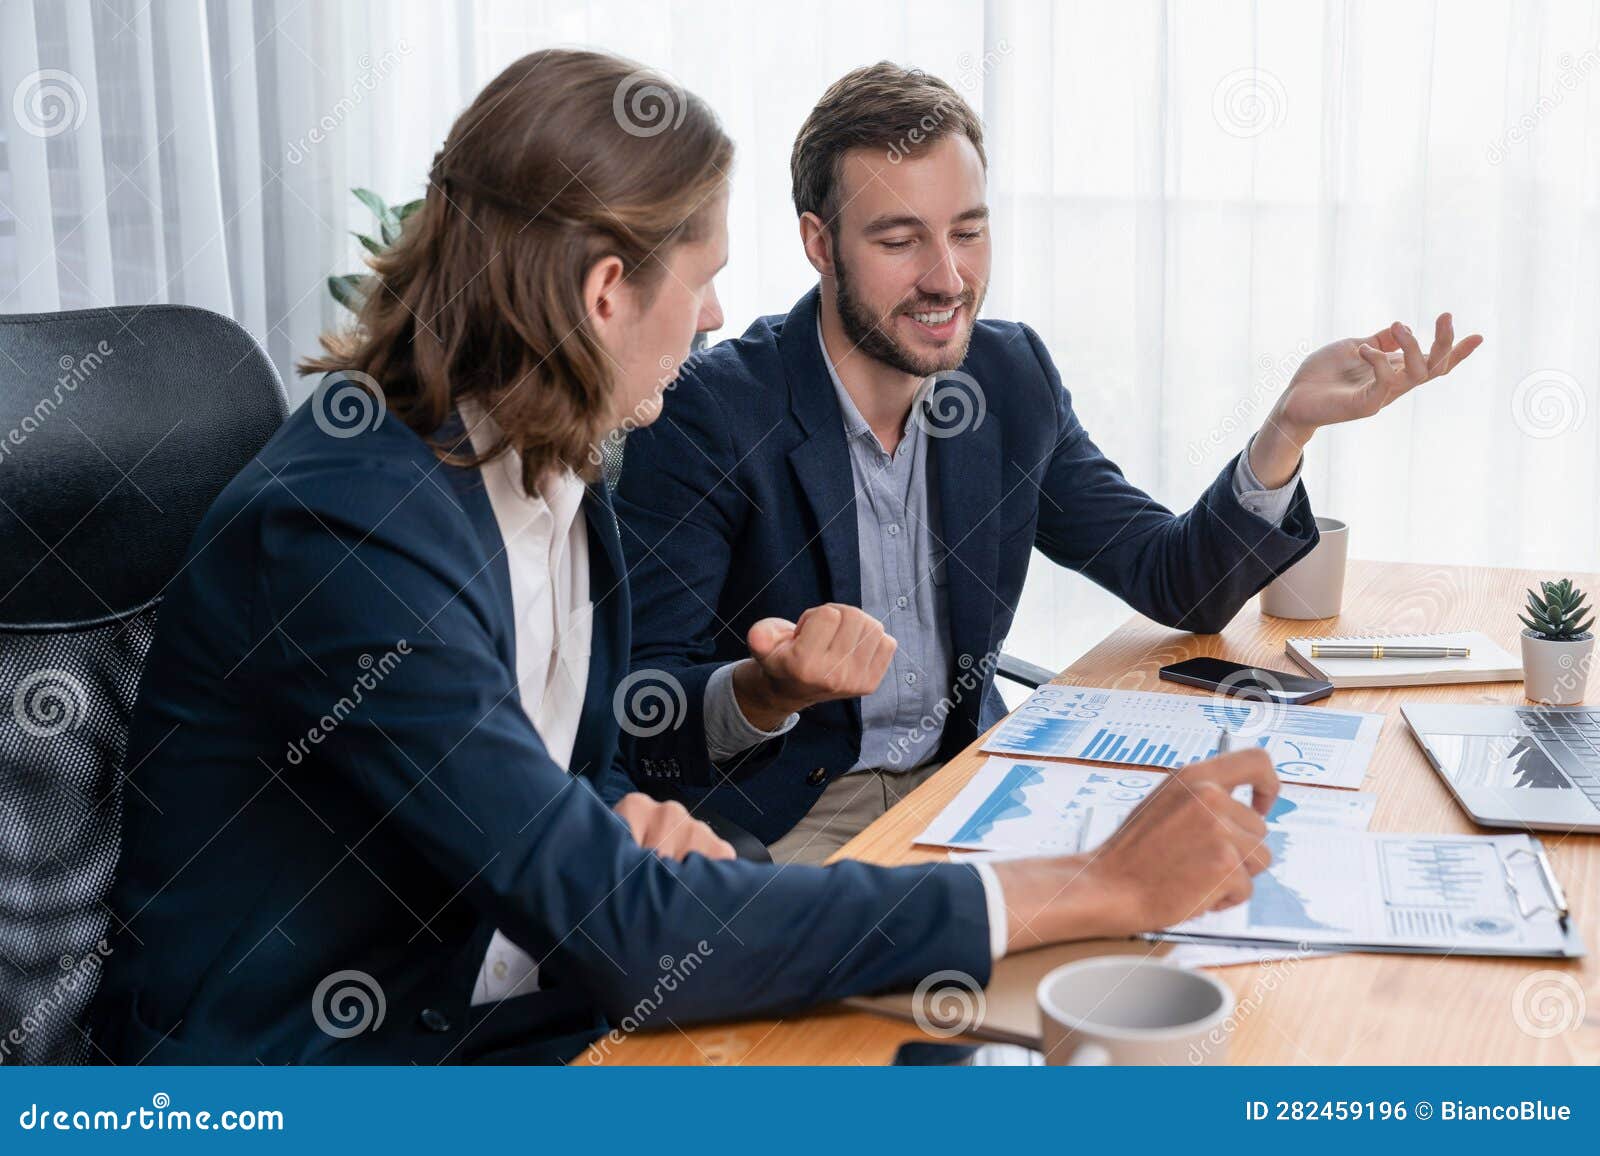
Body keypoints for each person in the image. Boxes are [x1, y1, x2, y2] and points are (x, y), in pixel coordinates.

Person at [89, 49, 1281, 1065]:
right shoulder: (347, 529)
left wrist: (625, 816)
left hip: (508, 988)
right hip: (311, 1064)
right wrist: (1097, 881)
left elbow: (560, 776)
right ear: (609, 291)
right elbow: (619, 922)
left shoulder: (552, 471)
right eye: (701, 281)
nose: (714, 318)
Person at [614, 62, 1482, 864]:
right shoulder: (708, 410)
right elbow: (639, 715)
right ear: (819, 241)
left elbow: (1174, 579)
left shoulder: (1008, 378)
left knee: (1210, 888)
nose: (947, 278)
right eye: (899, 240)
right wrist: (770, 689)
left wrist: (1286, 428)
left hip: (970, 784)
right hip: (791, 818)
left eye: (968, 232)